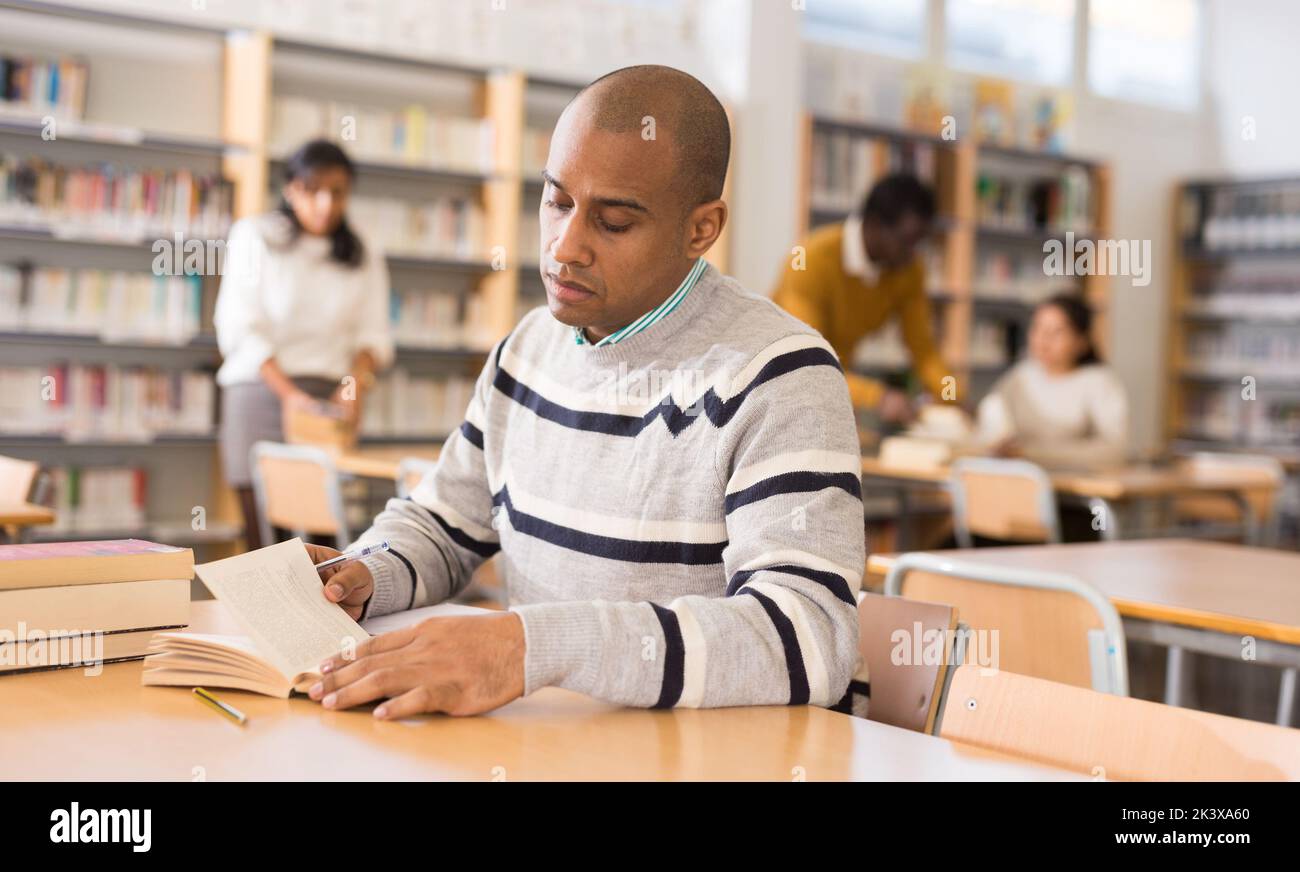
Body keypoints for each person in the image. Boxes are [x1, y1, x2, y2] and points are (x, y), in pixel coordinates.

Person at [302, 65, 866, 719]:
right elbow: (446, 524)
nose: (564, 248)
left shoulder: (779, 375)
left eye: (614, 222)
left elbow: (807, 638)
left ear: (701, 230)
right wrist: (368, 572)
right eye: (557, 201)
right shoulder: (529, 348)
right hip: (553, 745)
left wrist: (534, 646)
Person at [215, 140, 393, 550]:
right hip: (260, 394)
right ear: (291, 189)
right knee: (264, 539)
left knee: (325, 536)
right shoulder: (255, 236)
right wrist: (290, 396)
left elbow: (373, 335)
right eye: (313, 190)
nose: (325, 204)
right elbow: (239, 326)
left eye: (338, 192)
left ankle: (322, 613)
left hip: (328, 399)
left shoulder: (363, 249)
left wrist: (351, 391)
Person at [772, 174, 946, 423]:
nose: (913, 254)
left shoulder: (908, 270)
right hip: (780, 387)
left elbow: (923, 347)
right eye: (907, 241)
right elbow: (806, 361)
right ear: (875, 225)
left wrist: (952, 395)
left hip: (834, 387)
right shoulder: (811, 260)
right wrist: (878, 397)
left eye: (920, 243)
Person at [977, 293, 1128, 470]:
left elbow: (1114, 451)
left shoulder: (1099, 382)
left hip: (1076, 489)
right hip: (1023, 484)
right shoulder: (1020, 377)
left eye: (1057, 332)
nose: (1043, 340)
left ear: (1081, 341)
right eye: (1038, 329)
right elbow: (989, 424)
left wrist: (1033, 454)